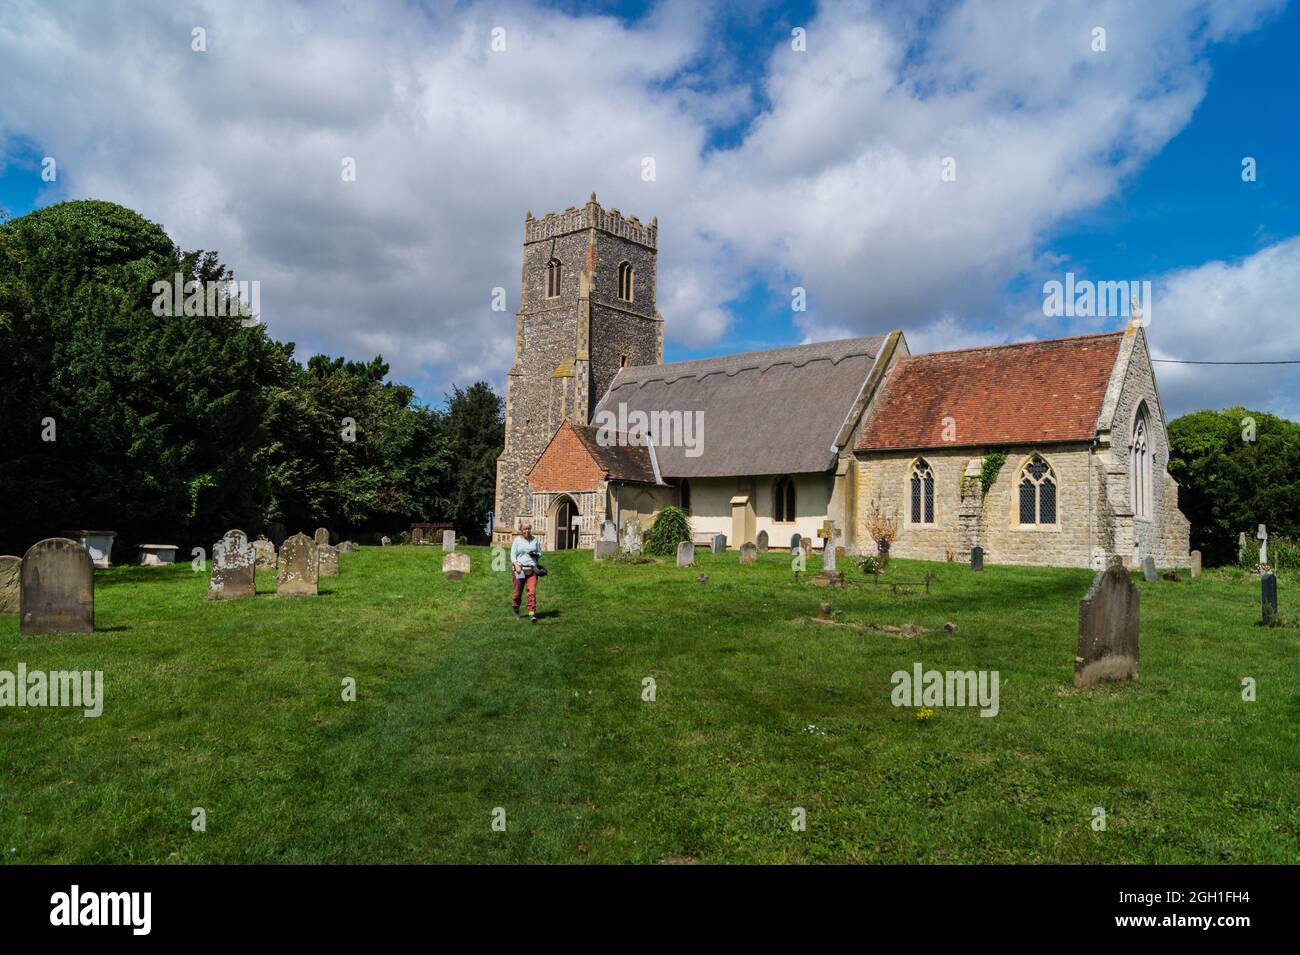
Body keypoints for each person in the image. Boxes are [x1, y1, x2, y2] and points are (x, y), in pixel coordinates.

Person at [511, 523, 542, 622]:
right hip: (520, 570)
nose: (527, 531)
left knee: (531, 592)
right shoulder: (517, 541)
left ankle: (532, 614)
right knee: (517, 593)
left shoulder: (535, 540)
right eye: (525, 529)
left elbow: (540, 552)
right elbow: (512, 555)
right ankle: (516, 609)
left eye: (528, 529)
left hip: (532, 569)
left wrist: (536, 554)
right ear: (521, 530)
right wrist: (516, 564)